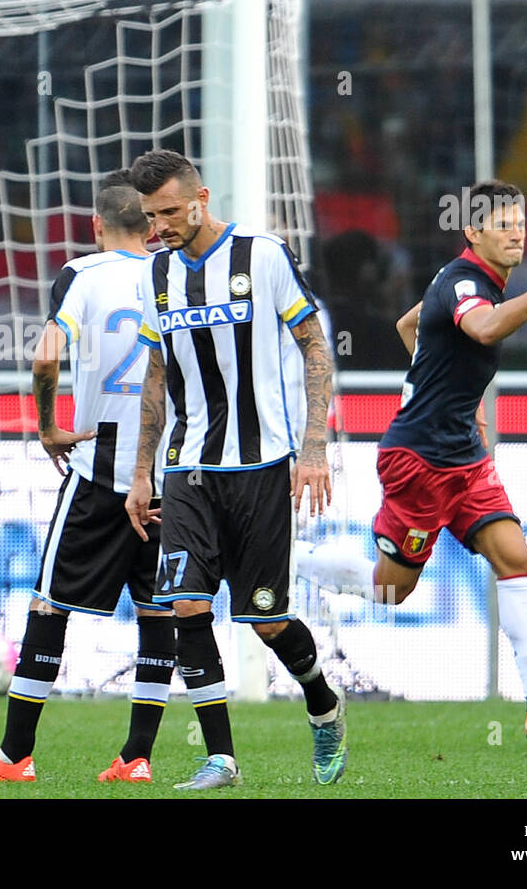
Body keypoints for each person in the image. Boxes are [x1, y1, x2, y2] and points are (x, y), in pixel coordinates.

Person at [309, 180, 527, 746]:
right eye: (503, 226)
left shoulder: (466, 282)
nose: (516, 236)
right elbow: (484, 326)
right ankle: (292, 562)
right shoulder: (465, 283)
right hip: (420, 460)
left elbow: (410, 327)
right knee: (391, 591)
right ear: (473, 232)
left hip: (462, 456)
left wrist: (459, 398)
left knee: (517, 559)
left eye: (520, 225)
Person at [0, 171, 177, 784]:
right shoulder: (176, 272)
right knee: (158, 612)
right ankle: (137, 758)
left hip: (102, 467)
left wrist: (48, 426)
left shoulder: (83, 274)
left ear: (96, 225)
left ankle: (14, 756)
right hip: (168, 470)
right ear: (153, 227)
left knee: (50, 606)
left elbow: (46, 355)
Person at [123, 149, 348, 790]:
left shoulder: (264, 255)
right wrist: (141, 472)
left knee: (267, 618)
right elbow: (157, 374)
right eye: (151, 215)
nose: (161, 225)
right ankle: (221, 757)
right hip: (187, 466)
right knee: (186, 604)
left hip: (261, 464)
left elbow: (314, 347)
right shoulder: (156, 272)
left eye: (170, 211)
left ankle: (323, 704)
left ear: (201, 198)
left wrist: (313, 448)